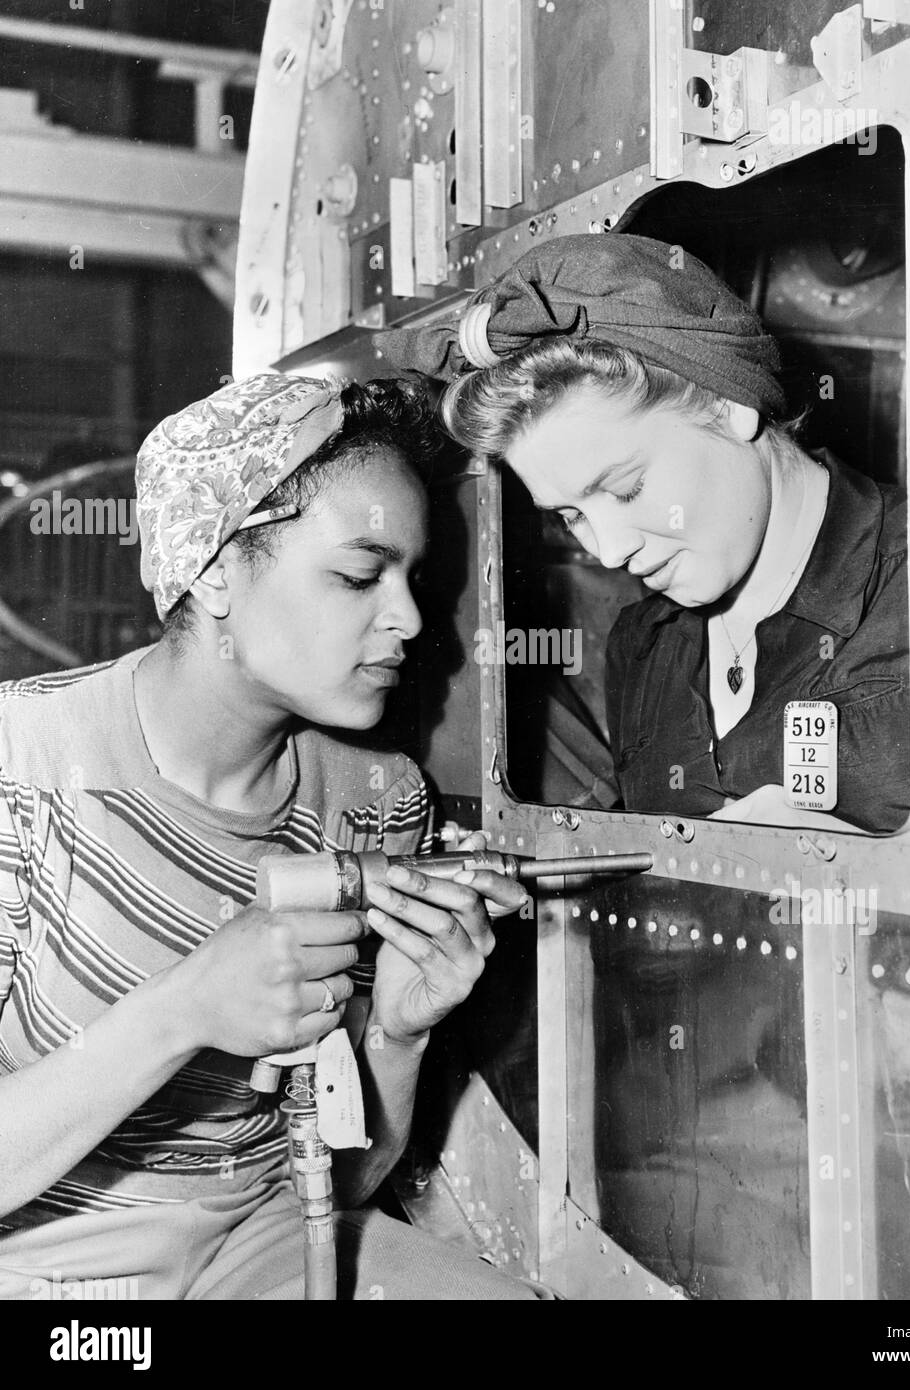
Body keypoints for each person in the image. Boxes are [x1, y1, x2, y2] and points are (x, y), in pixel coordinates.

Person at [0, 373, 546, 1300]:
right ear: (213, 566)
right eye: (357, 574)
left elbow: (344, 1180)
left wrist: (401, 1038)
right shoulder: (24, 765)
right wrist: (180, 1010)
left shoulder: (375, 798)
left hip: (267, 1237)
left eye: (415, 579)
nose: (411, 620)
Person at [377, 232, 910, 834]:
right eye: (569, 516)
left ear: (727, 402)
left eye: (626, 488)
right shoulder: (642, 645)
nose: (608, 552)